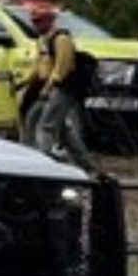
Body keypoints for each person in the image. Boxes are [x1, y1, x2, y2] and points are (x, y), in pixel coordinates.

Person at [30, 10, 93, 168]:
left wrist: (49, 88)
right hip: (55, 86)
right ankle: (85, 164)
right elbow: (42, 65)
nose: (35, 25)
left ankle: (43, 163)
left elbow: (62, 67)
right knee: (63, 131)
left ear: (49, 21)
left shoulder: (61, 39)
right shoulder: (44, 40)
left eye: (39, 21)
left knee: (46, 125)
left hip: (65, 87)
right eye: (34, 22)